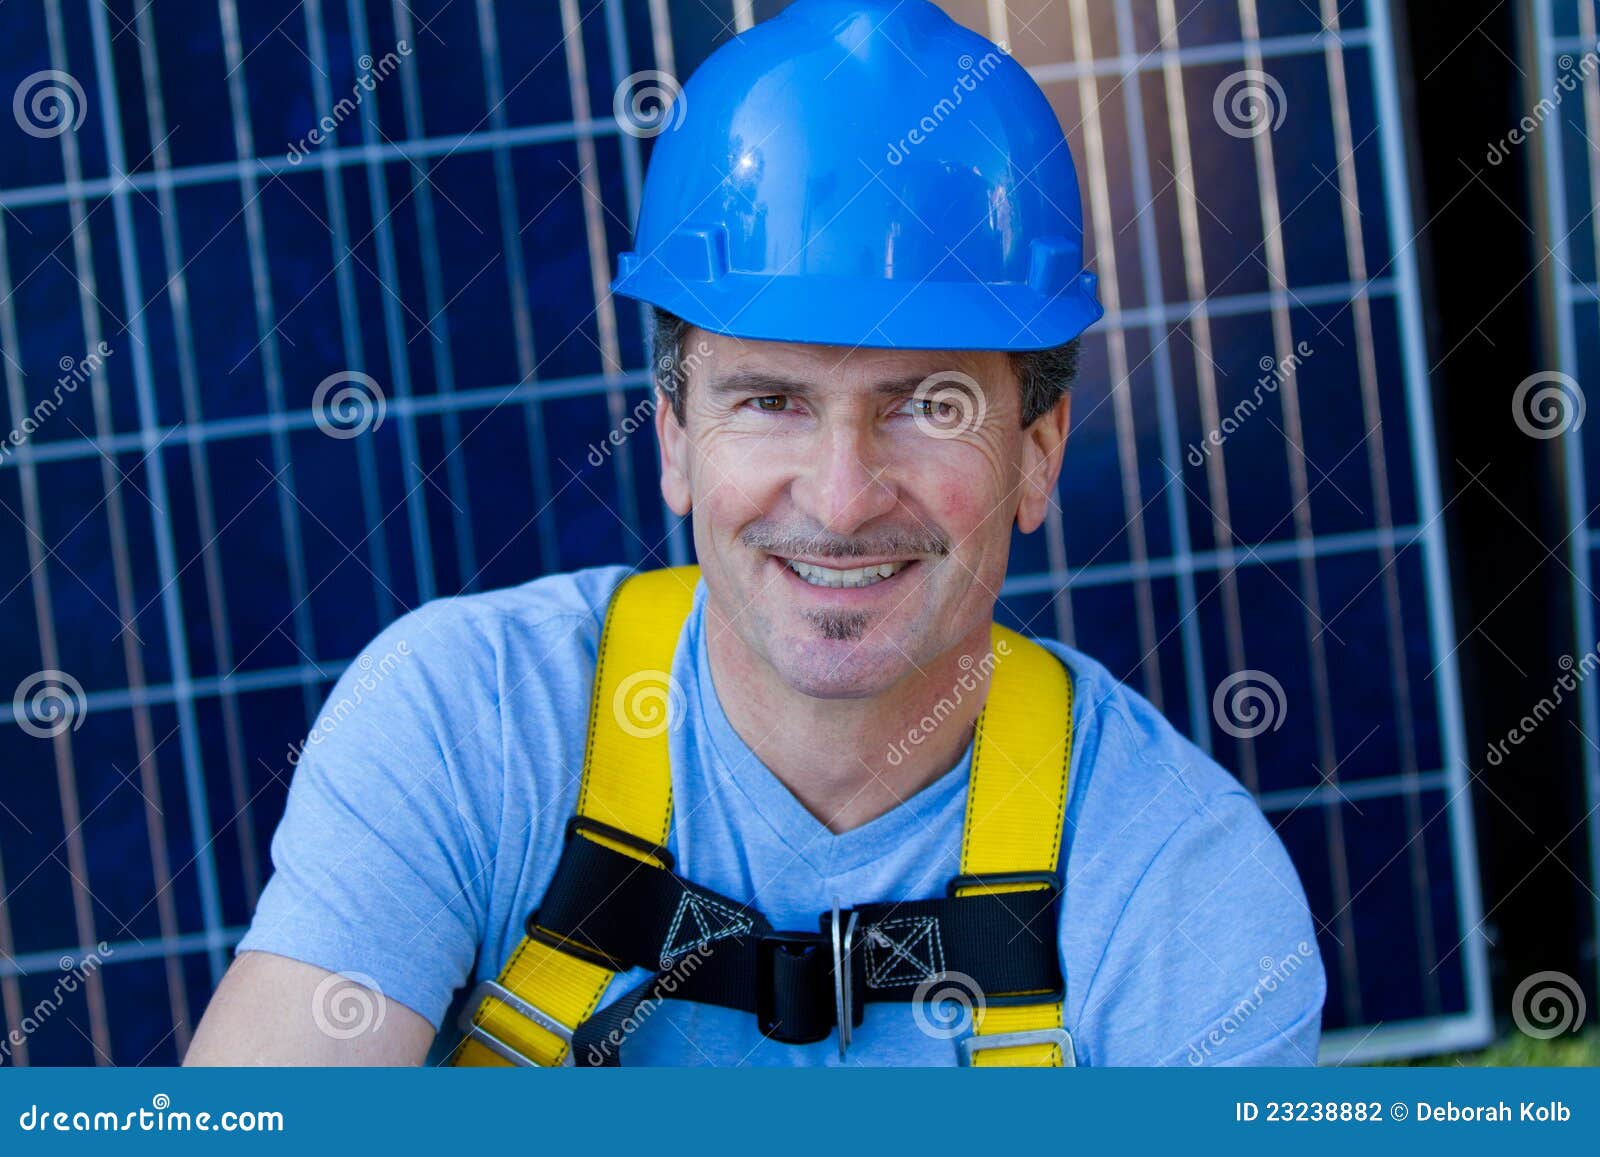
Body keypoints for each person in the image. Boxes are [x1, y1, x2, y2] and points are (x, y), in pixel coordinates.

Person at [187, 0, 1323, 1067]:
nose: (839, 500)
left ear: (1037, 449)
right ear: (675, 436)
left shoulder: (1181, 887)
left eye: (927, 405)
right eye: (770, 399)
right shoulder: (467, 720)